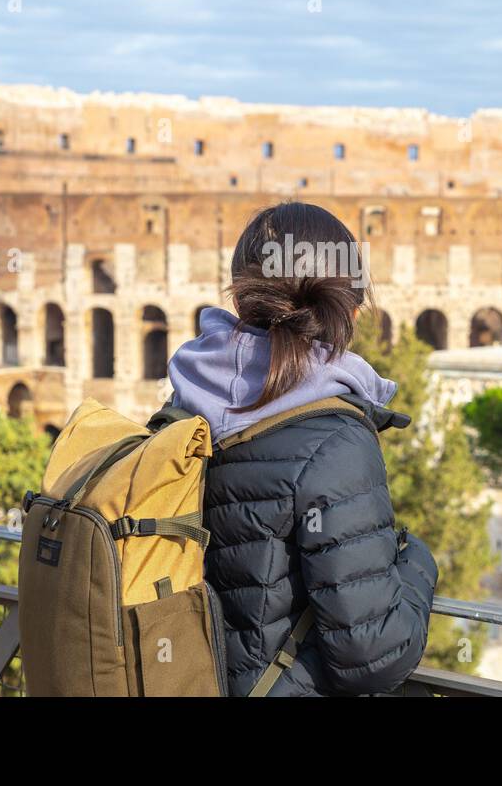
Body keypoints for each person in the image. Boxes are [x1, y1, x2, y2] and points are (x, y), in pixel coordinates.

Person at [167, 201, 438, 696]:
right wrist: (419, 563)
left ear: (244, 298)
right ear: (351, 311)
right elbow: (373, 654)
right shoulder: (335, 442)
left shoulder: (184, 401)